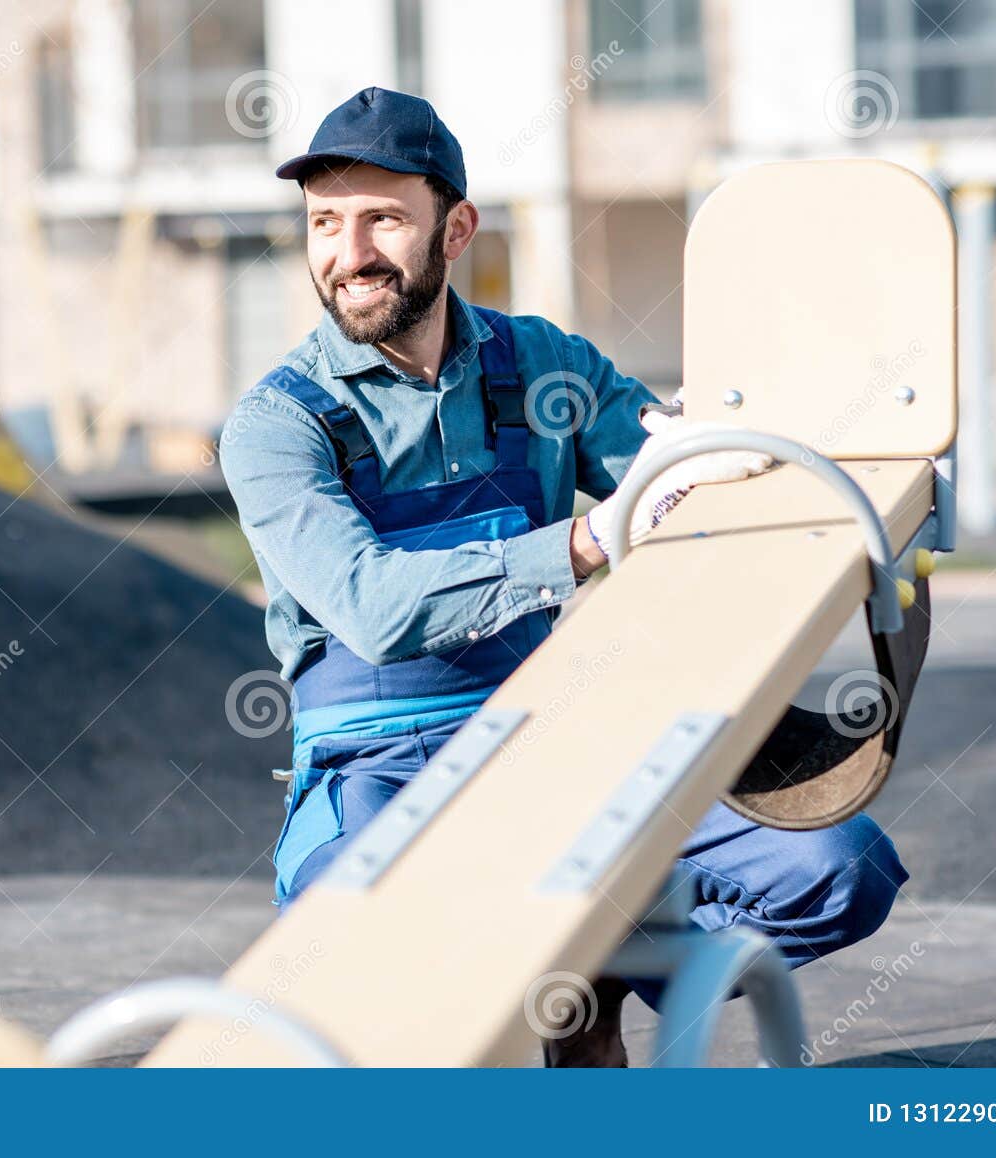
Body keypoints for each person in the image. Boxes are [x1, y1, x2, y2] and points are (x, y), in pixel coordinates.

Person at [218, 87, 907, 1066]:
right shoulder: (279, 423)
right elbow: (371, 608)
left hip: (555, 737)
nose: (348, 252)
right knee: (354, 966)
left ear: (455, 228)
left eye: (382, 218)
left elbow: (671, 479)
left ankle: (588, 975)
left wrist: (711, 455)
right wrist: (583, 545)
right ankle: (540, 991)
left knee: (837, 868)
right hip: (377, 766)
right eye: (324, 222)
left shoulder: (540, 364)